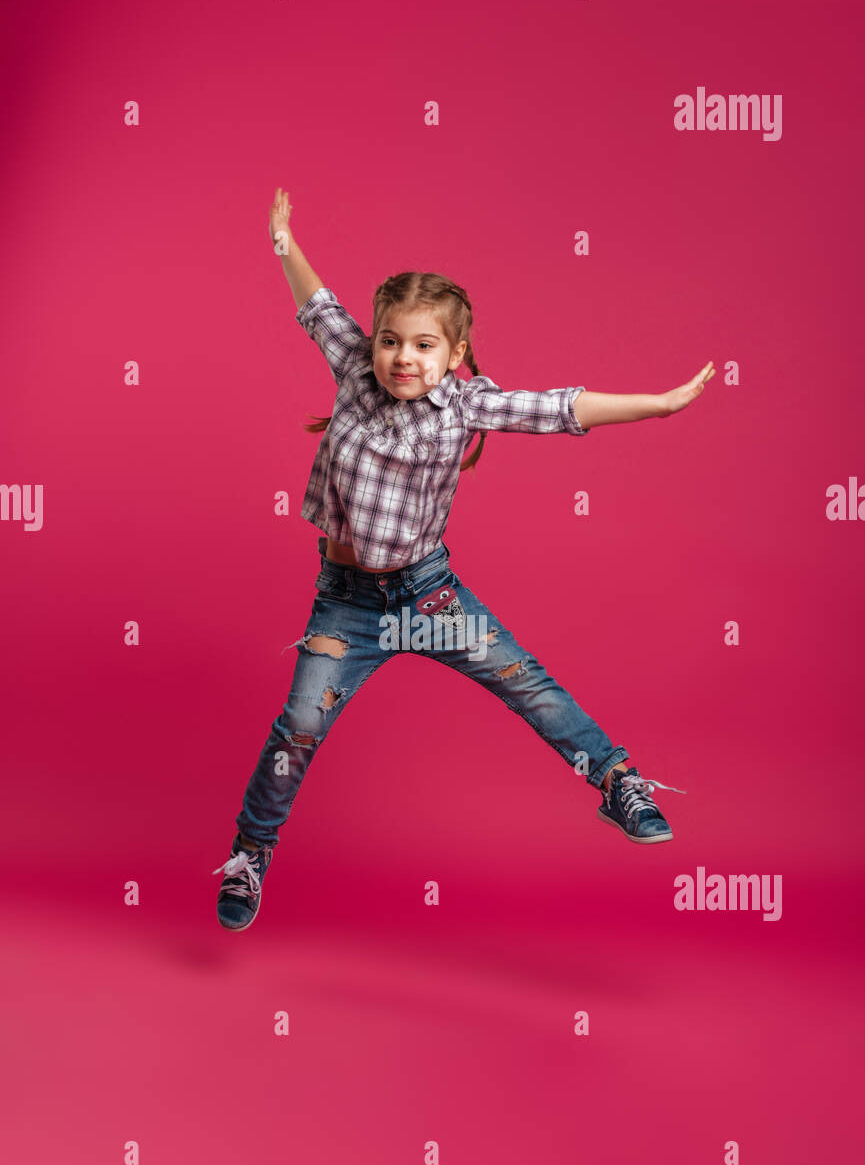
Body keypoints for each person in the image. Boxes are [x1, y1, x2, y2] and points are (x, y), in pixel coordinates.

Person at [213, 187, 715, 930]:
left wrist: (657, 403)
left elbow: (560, 408)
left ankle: (617, 783)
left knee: (529, 685)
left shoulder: (468, 403)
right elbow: (318, 305)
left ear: (455, 354)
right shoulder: (354, 370)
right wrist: (285, 243)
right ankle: (250, 856)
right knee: (298, 726)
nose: (402, 357)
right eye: (391, 340)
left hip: (429, 597)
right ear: (374, 341)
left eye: (423, 345)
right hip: (347, 603)